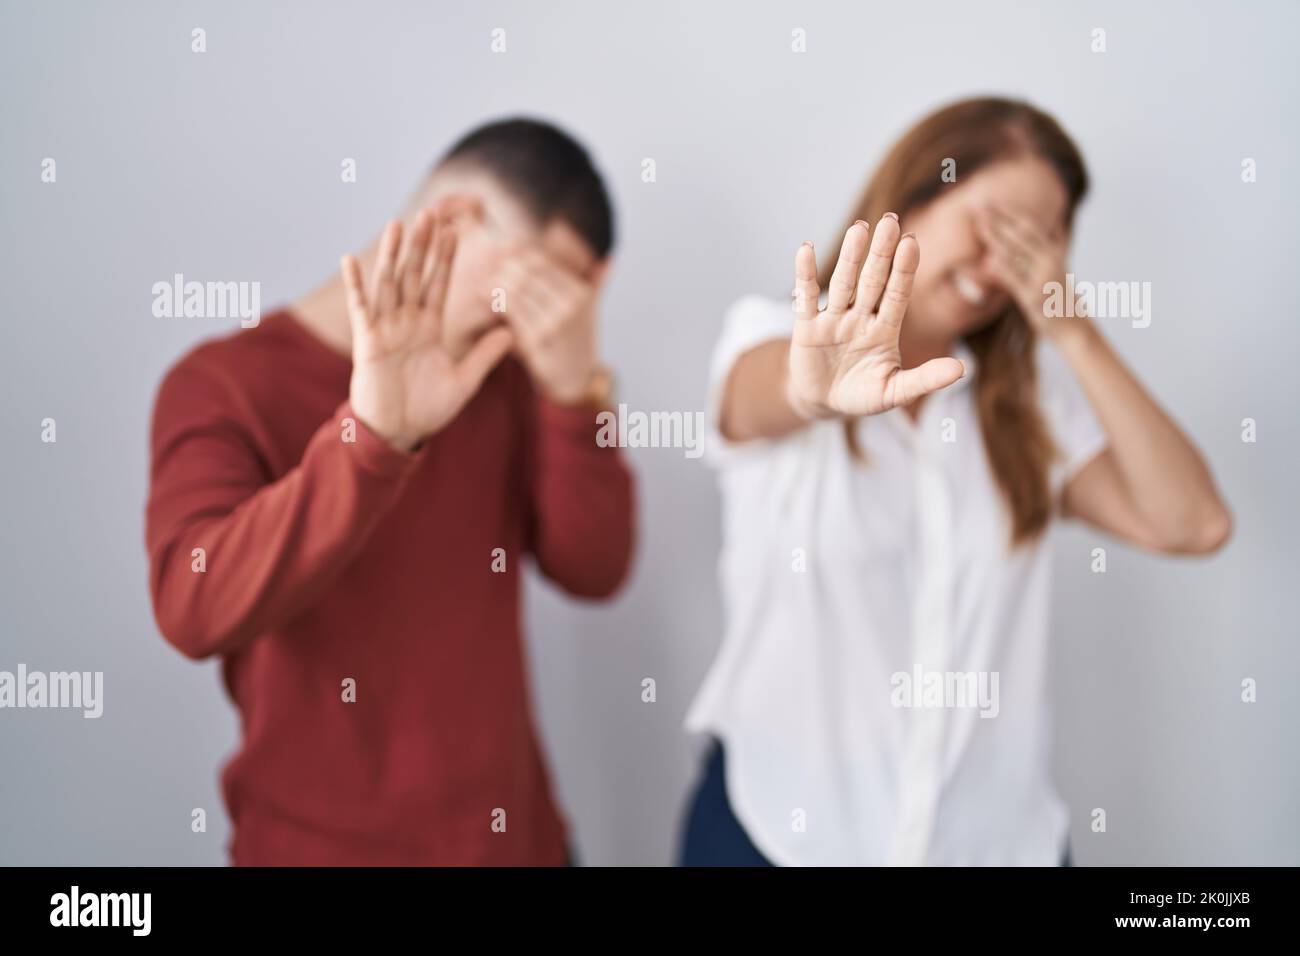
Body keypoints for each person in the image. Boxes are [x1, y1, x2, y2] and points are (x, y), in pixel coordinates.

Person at [679, 97, 1232, 866]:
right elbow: (762, 395)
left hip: (994, 844)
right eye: (990, 225)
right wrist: (813, 391)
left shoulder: (1026, 412)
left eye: (1032, 244)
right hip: (782, 832)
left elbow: (1193, 524)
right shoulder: (773, 340)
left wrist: (1072, 330)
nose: (994, 267)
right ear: (912, 198)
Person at [145, 118, 635, 865]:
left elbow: (593, 568)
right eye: (532, 292)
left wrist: (574, 393)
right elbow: (192, 605)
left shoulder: (508, 380)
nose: (533, 329)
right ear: (455, 220)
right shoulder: (223, 384)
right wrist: (372, 439)